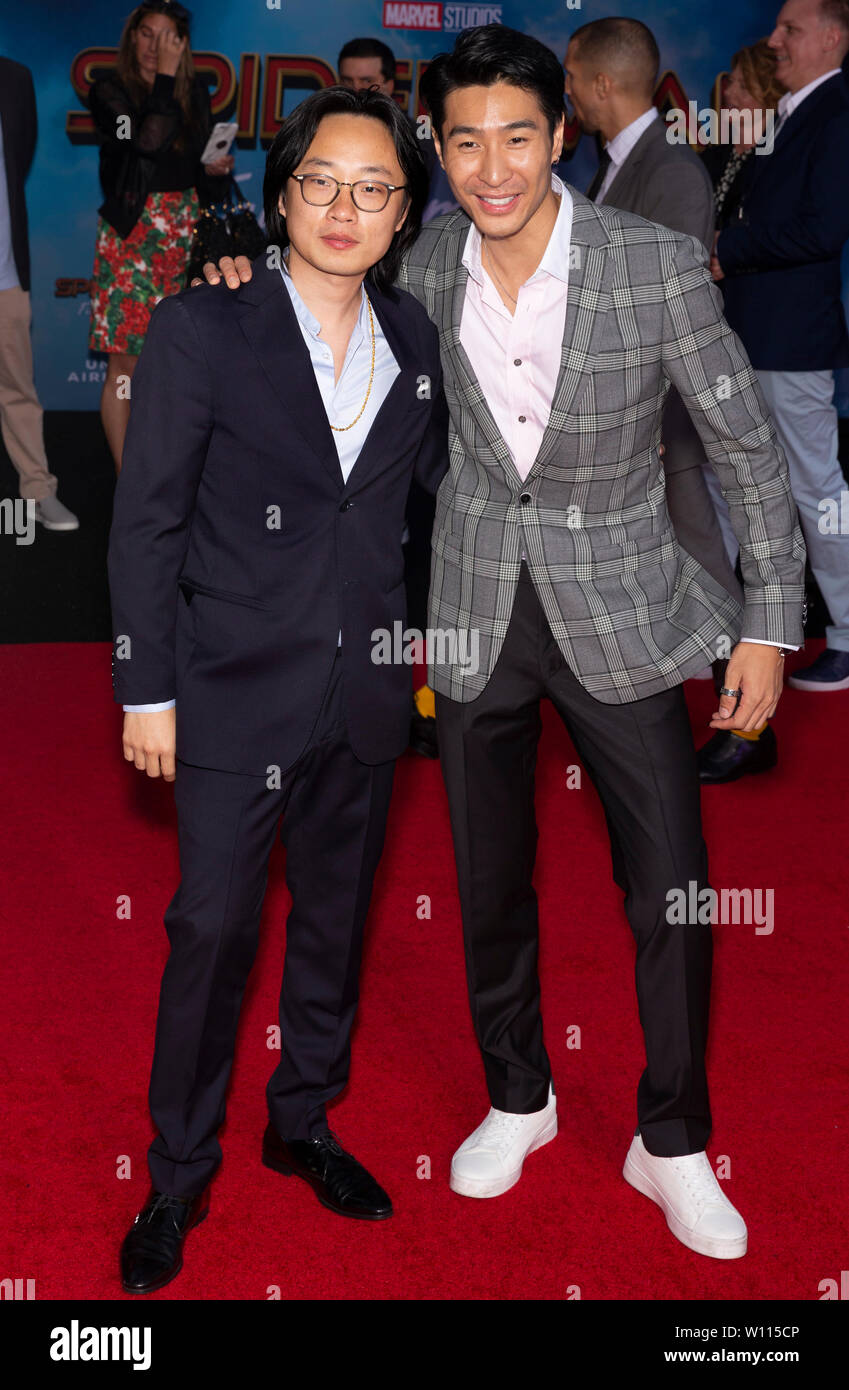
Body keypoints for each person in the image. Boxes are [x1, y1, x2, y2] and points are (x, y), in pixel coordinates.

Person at [201, 24, 806, 1262]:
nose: (491, 165)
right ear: (438, 142)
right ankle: (519, 1095)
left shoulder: (653, 264)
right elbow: (310, 284)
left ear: (561, 136)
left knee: (672, 889)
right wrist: (231, 275)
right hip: (474, 607)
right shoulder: (415, 262)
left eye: (517, 136)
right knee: (488, 880)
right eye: (464, 138)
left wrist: (771, 619)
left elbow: (746, 443)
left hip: (626, 604)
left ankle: (673, 1137)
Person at [108, 85, 446, 1294]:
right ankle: (177, 1172)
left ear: (406, 212)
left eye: (375, 189)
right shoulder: (206, 328)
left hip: (362, 688)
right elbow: (145, 523)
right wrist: (146, 692)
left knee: (337, 924)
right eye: (321, 182)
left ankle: (300, 1116)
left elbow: (425, 507)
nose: (345, 208)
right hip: (226, 690)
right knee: (210, 929)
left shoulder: (416, 338)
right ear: (281, 190)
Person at [567, 16, 793, 785]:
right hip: (627, 408)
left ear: (601, 84)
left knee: (701, 555)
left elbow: (675, 307)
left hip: (658, 409)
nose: (566, 90)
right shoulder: (616, 166)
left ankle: (751, 723)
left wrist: (655, 415)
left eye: (571, 76)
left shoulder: (670, 173)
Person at [712, 0, 849, 692]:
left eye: (788, 30)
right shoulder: (795, 111)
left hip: (788, 340)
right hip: (747, 333)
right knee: (730, 484)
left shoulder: (834, 113)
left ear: (832, 38)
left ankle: (848, 635)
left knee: (813, 487)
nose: (772, 41)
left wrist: (722, 249)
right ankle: (722, 626)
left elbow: (822, 231)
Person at [87, 0, 233, 472]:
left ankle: (168, 476)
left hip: (183, 233)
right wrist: (167, 78)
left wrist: (215, 169)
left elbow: (202, 179)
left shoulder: (197, 92)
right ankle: (129, 482)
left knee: (174, 364)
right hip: (132, 236)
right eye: (145, 34)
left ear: (181, 43)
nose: (153, 46)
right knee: (125, 367)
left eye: (166, 36)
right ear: (132, 38)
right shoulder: (110, 90)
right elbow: (144, 144)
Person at [0, 55, 77, 530]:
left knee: (16, 390)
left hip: (5, 276)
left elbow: (18, 156)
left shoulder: (14, 77)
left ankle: (36, 489)